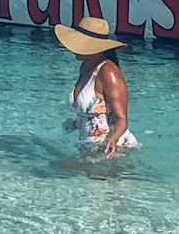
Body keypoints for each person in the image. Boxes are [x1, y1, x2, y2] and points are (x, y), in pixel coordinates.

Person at [55, 16, 137, 156]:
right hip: (90, 148)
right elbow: (95, 117)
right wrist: (75, 124)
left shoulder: (109, 72)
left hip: (113, 148)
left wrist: (113, 139)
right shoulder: (85, 68)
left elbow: (121, 118)